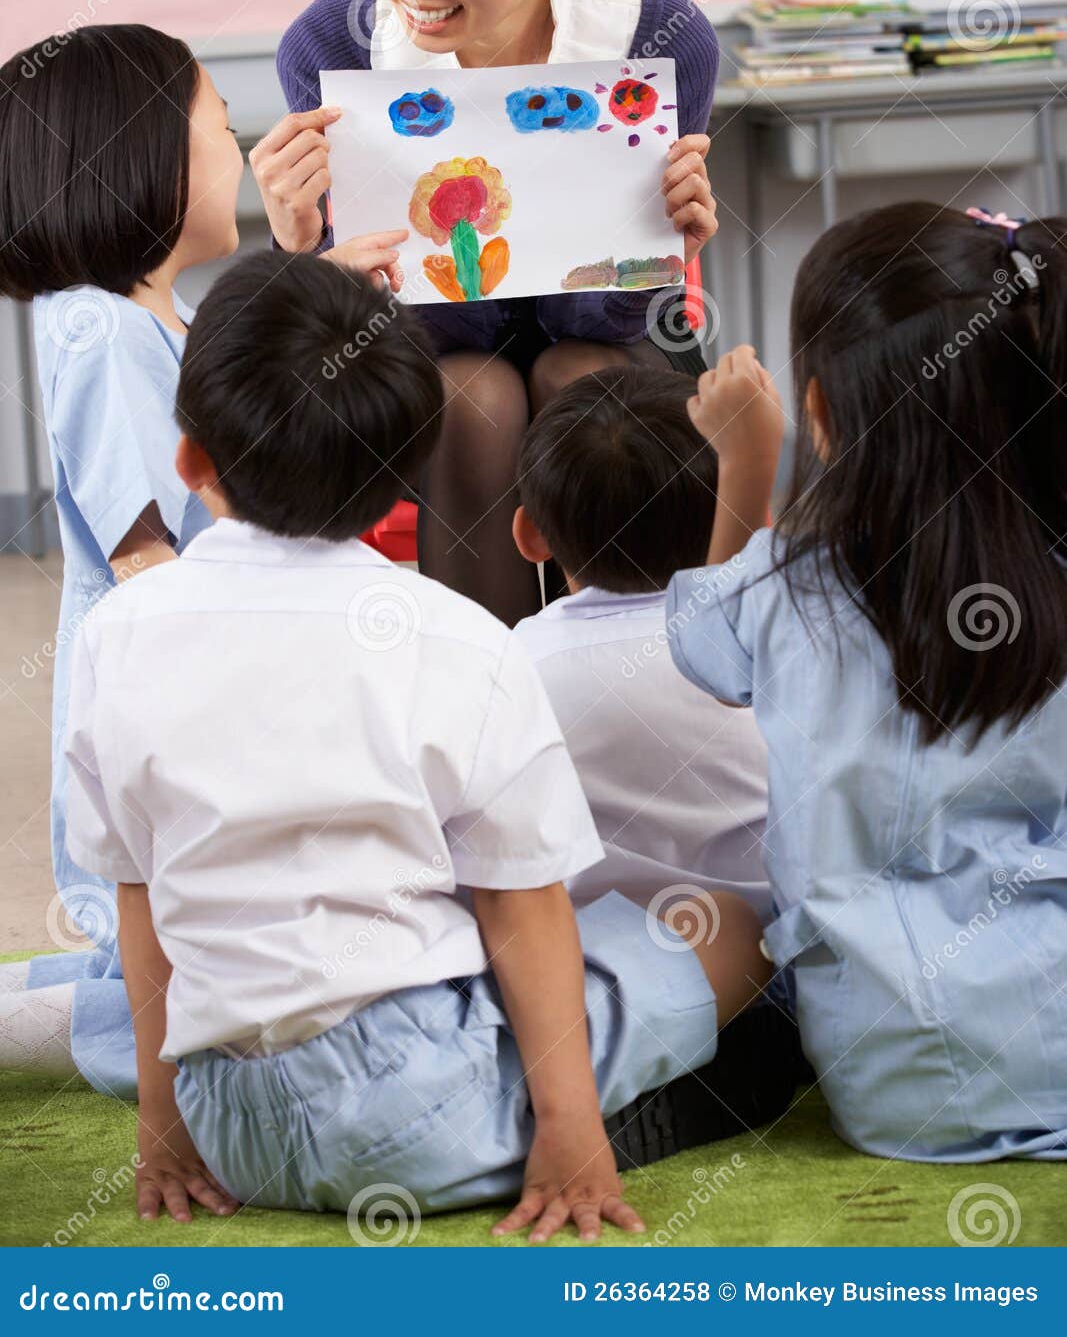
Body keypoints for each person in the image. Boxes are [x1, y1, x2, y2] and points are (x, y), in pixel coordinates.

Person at [62, 252, 772, 1234]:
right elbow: (521, 909)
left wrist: (164, 1121)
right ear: (405, 480)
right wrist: (570, 1131)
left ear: (190, 462)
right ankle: (560, 1122)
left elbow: (138, 893)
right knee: (722, 929)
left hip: (224, 1118)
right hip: (418, 1107)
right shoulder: (458, 640)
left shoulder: (117, 634)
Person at [0, 24, 405, 1093]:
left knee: (182, 939)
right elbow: (148, 556)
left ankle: (71, 997)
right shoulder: (102, 333)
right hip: (163, 686)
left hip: (186, 674)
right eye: (219, 129)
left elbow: (232, 403)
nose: (238, 148)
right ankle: (61, 1023)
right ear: (141, 156)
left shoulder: (142, 319)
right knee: (182, 986)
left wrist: (310, 279)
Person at [255, 0, 720, 624]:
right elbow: (384, 330)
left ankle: (634, 690)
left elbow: (603, 324)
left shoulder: (659, 35)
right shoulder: (331, 46)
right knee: (475, 395)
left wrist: (657, 248)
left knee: (583, 377)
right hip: (417, 351)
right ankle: (489, 702)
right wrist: (305, 251)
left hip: (605, 341)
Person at [668, 204, 1067, 1161]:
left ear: (816, 412)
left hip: (894, 1086)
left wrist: (744, 466)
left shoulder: (780, 587)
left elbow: (699, 648)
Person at [512, 365, 770, 918]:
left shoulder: (512, 672)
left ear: (530, 535)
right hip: (779, 954)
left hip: (593, 971)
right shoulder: (779, 653)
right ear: (745, 515)